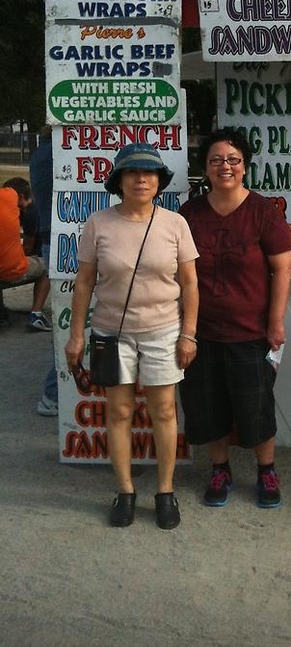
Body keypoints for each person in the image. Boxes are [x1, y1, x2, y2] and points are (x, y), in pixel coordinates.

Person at [64, 143, 199, 530]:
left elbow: (190, 284)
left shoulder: (175, 224)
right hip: (112, 332)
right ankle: (125, 491)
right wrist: (77, 336)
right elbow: (84, 282)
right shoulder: (99, 223)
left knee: (165, 411)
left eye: (150, 173)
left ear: (159, 181)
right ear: (119, 181)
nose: (142, 179)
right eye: (132, 172)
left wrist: (188, 334)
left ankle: (165, 492)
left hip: (164, 331)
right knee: (120, 411)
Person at [178, 128, 291, 510]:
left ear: (244, 167)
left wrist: (275, 322)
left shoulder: (263, 212)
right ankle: (219, 468)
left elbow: (283, 269)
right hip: (200, 330)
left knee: (256, 406)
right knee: (208, 405)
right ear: (206, 168)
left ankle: (266, 470)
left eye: (233, 160)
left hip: (250, 330)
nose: (224, 166)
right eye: (216, 160)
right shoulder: (189, 214)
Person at [30, 128, 59, 416]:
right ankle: (53, 393)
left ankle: (55, 393)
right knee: (72, 317)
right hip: (63, 235)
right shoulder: (58, 151)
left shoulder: (42, 152)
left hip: (52, 235)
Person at [0, 177, 51, 332]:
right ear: (20, 196)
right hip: (10, 270)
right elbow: (28, 246)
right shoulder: (12, 196)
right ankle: (36, 314)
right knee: (48, 266)